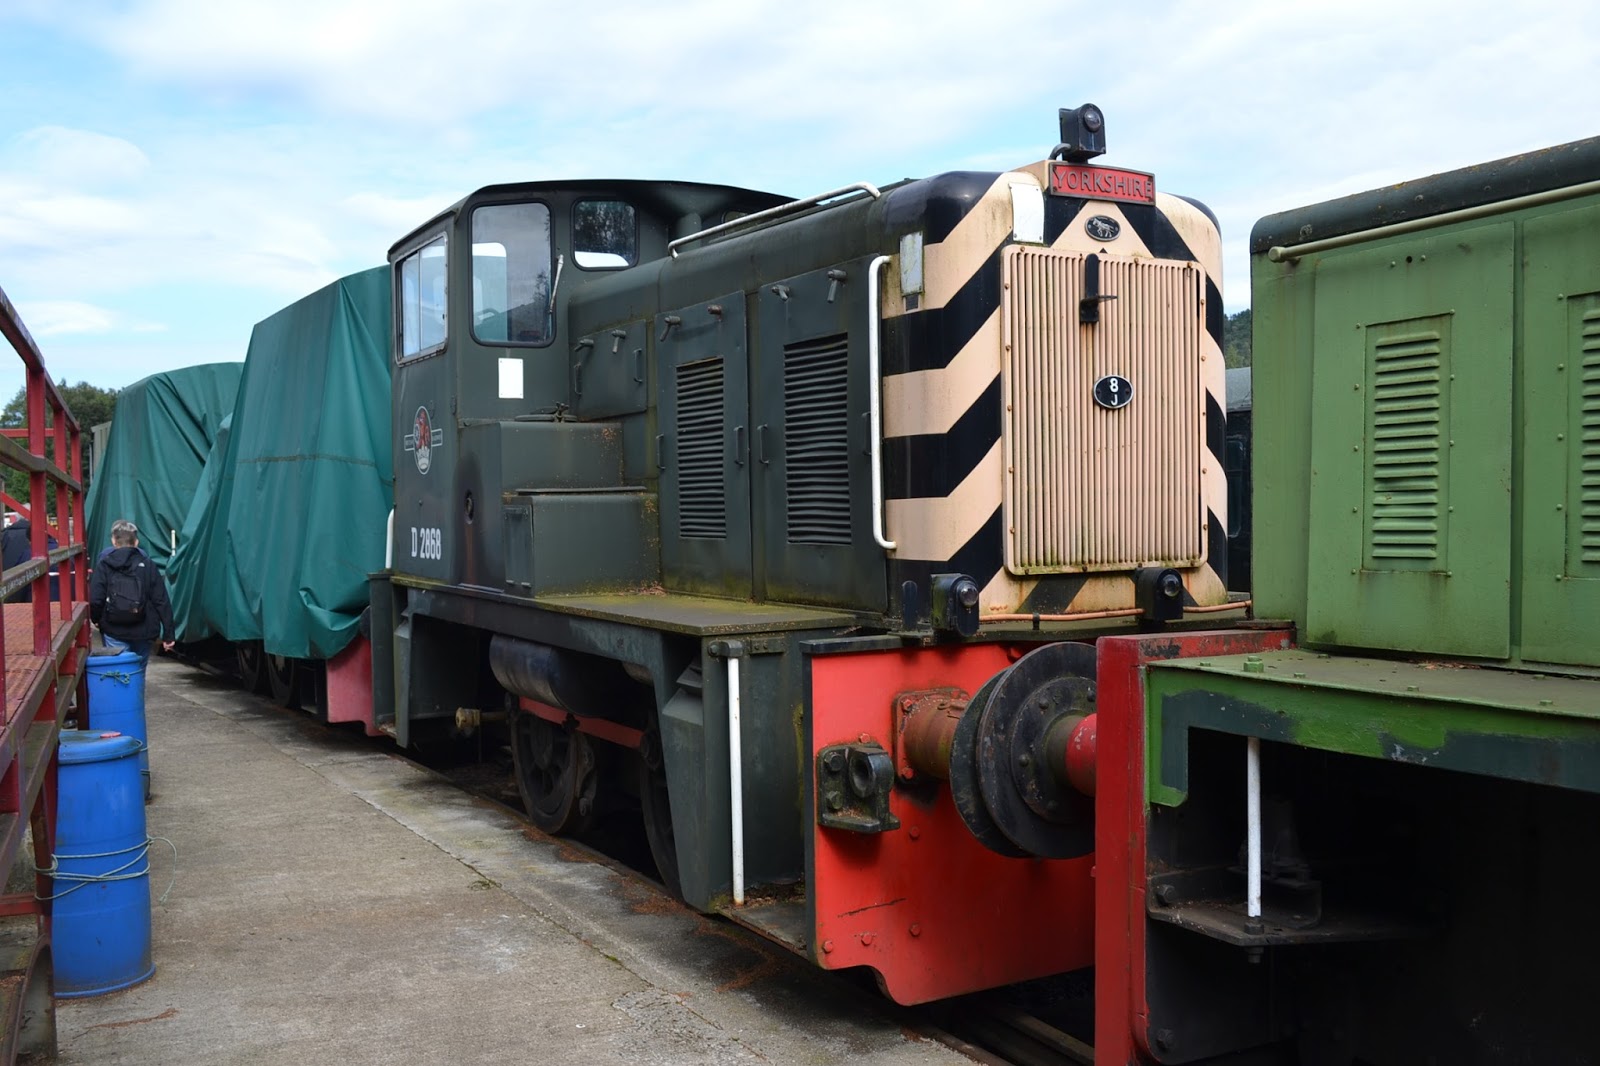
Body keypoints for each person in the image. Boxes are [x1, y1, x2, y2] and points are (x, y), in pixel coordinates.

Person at [89, 519, 175, 660]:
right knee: (138, 672)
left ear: (113, 541)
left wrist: (97, 619)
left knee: (118, 673)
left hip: (113, 628)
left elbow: (96, 598)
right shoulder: (148, 565)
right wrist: (168, 634)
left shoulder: (104, 565)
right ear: (136, 542)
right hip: (144, 630)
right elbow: (161, 600)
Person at [2, 516, 59, 603]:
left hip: (34, 602)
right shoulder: (61, 549)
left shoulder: (6, 535)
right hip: (67, 603)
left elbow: (18, 584)